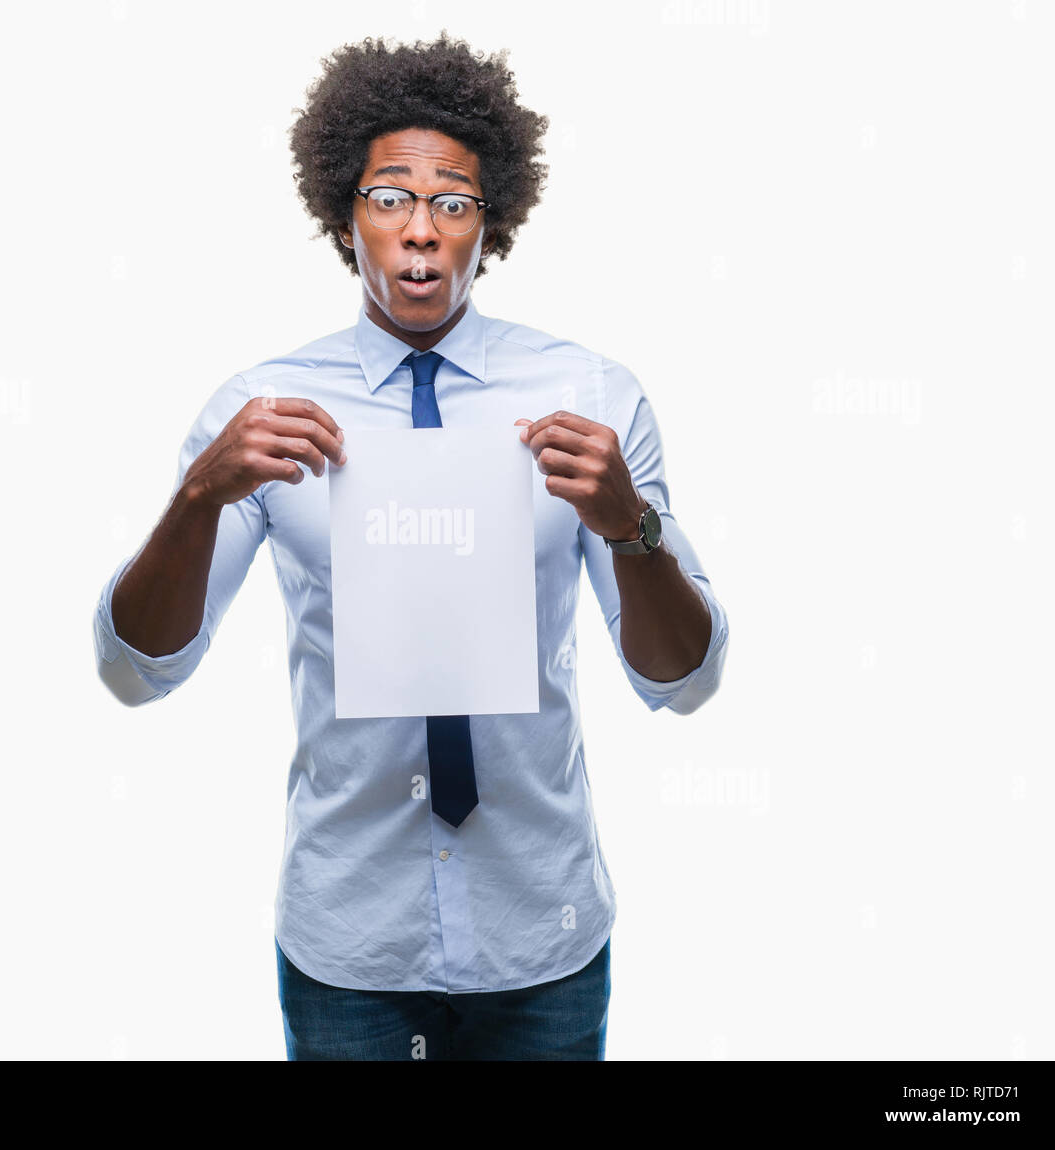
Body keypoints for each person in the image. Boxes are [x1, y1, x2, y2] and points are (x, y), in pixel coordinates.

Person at [92, 30, 729, 1060]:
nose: (421, 232)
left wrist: (632, 524)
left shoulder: (592, 398)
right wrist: (199, 495)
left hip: (544, 936)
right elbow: (134, 672)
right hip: (351, 943)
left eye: (452, 202)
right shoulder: (258, 410)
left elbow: (685, 681)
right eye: (390, 198)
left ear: (493, 223)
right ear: (345, 218)